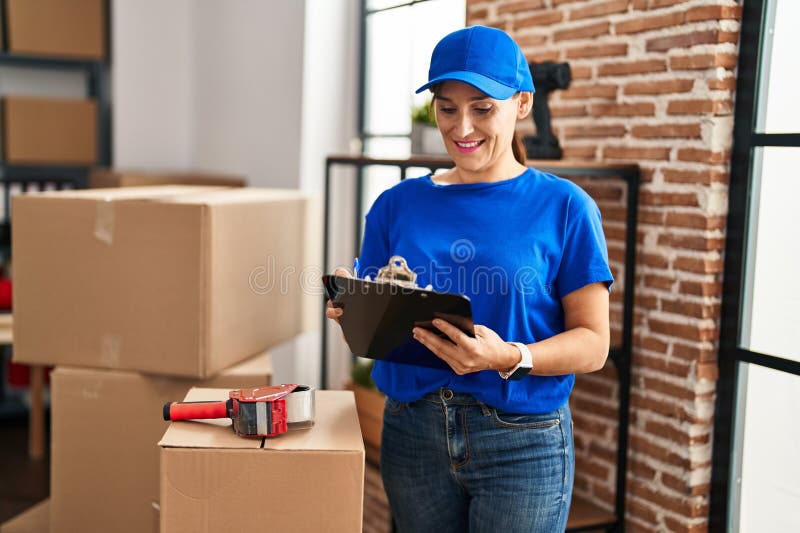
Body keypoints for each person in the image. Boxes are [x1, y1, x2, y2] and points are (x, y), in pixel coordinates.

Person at [326, 25, 612, 533]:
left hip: (522, 442)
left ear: (522, 104)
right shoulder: (397, 205)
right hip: (412, 432)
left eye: (482, 107)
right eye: (447, 107)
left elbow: (592, 345)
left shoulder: (565, 207)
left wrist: (510, 357)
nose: (462, 127)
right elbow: (376, 326)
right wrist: (355, 306)